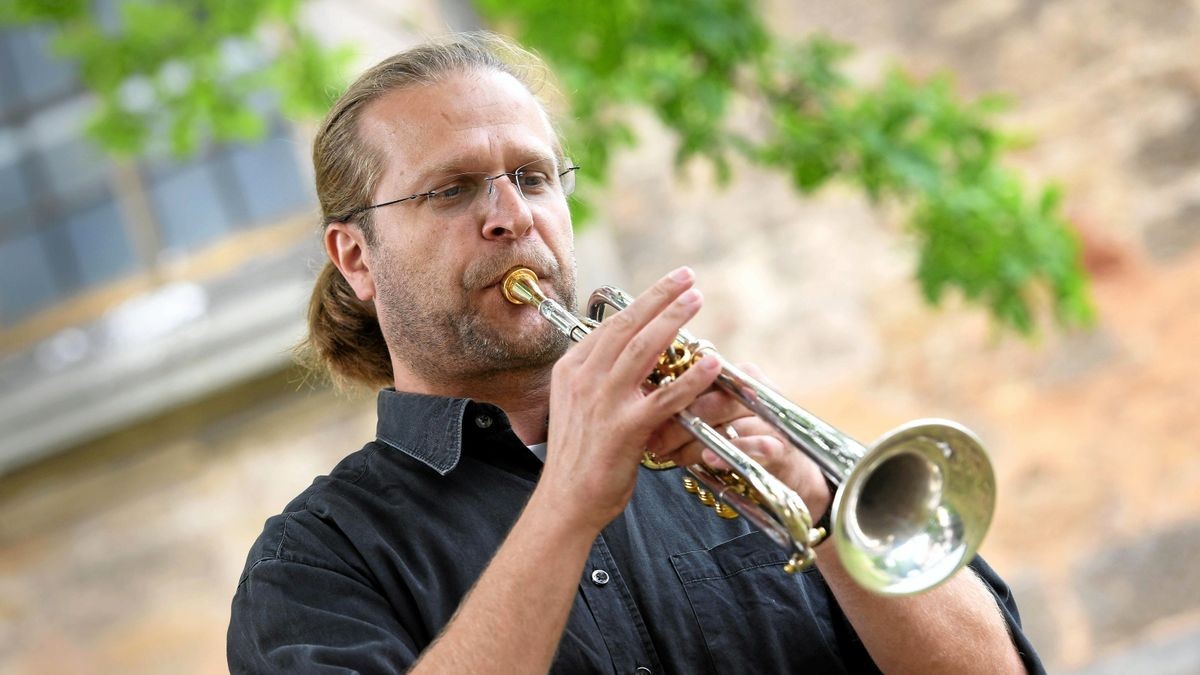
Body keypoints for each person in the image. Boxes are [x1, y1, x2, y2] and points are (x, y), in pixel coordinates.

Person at [227, 32, 1043, 674]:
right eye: (452, 189)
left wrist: (825, 513)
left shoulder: (735, 454)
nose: (512, 216)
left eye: (535, 176)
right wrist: (569, 498)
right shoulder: (316, 559)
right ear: (356, 258)